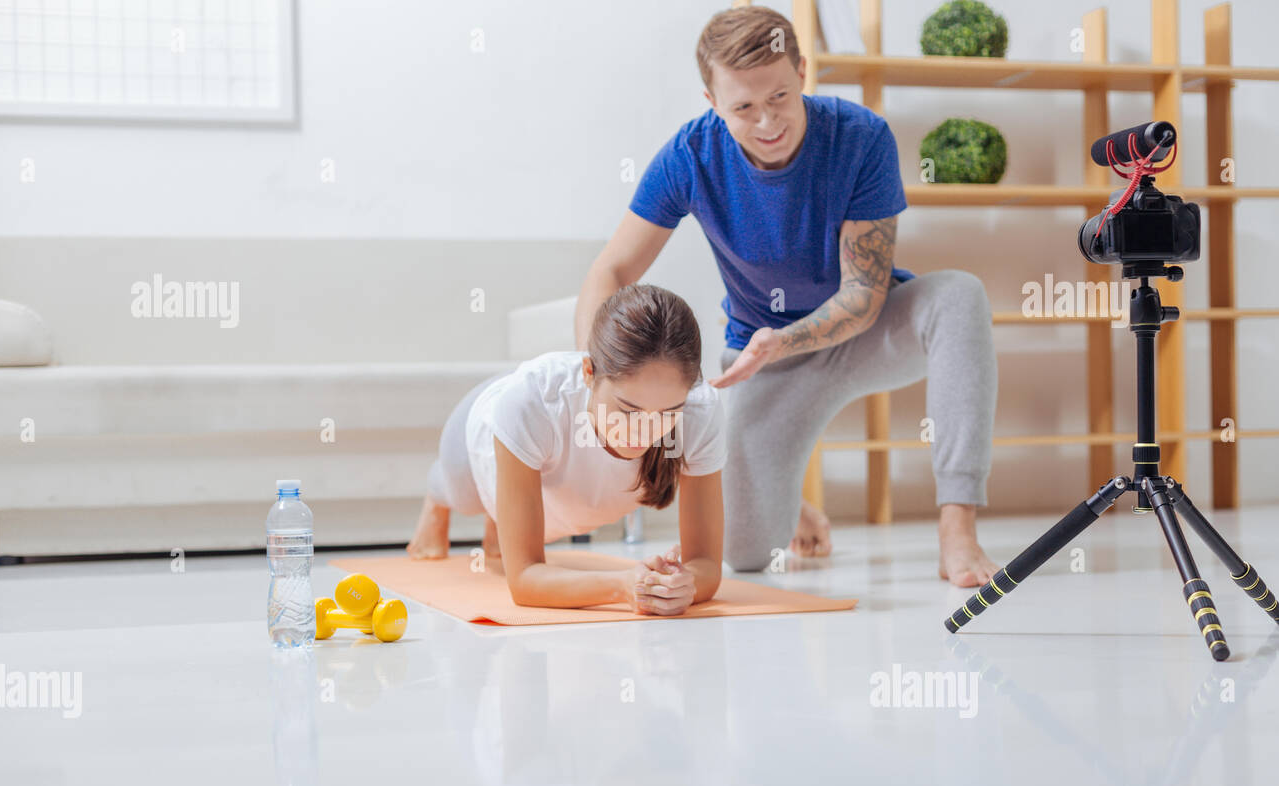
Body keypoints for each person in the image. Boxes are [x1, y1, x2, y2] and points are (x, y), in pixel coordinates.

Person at [573, 5, 1000, 587]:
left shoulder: (861, 137)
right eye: (743, 107)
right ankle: (787, 499)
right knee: (746, 555)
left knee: (960, 296)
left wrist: (785, 339)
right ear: (711, 99)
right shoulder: (690, 156)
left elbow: (863, 297)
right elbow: (613, 266)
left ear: (801, 72)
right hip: (760, 363)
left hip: (865, 332)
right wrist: (595, 372)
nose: (767, 121)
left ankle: (957, 526)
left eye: (779, 96)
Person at [408, 283, 726, 615]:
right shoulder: (529, 401)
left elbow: (705, 564)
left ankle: (499, 525)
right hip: (481, 426)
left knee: (517, 522)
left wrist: (680, 586)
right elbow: (525, 580)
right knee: (462, 496)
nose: (644, 432)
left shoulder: (699, 411)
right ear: (589, 372)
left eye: (666, 413)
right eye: (629, 410)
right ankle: (437, 501)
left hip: (541, 437)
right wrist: (623, 586)